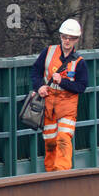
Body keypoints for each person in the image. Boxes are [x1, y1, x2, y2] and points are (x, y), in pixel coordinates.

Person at [29, 18, 89, 172]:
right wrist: (39, 86)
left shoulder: (80, 62)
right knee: (50, 141)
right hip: (49, 103)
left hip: (67, 106)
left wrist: (62, 82)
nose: (67, 41)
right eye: (64, 37)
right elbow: (35, 71)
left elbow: (81, 86)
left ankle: (62, 173)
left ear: (76, 39)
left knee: (63, 138)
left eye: (71, 38)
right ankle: (51, 172)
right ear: (61, 36)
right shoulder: (48, 52)